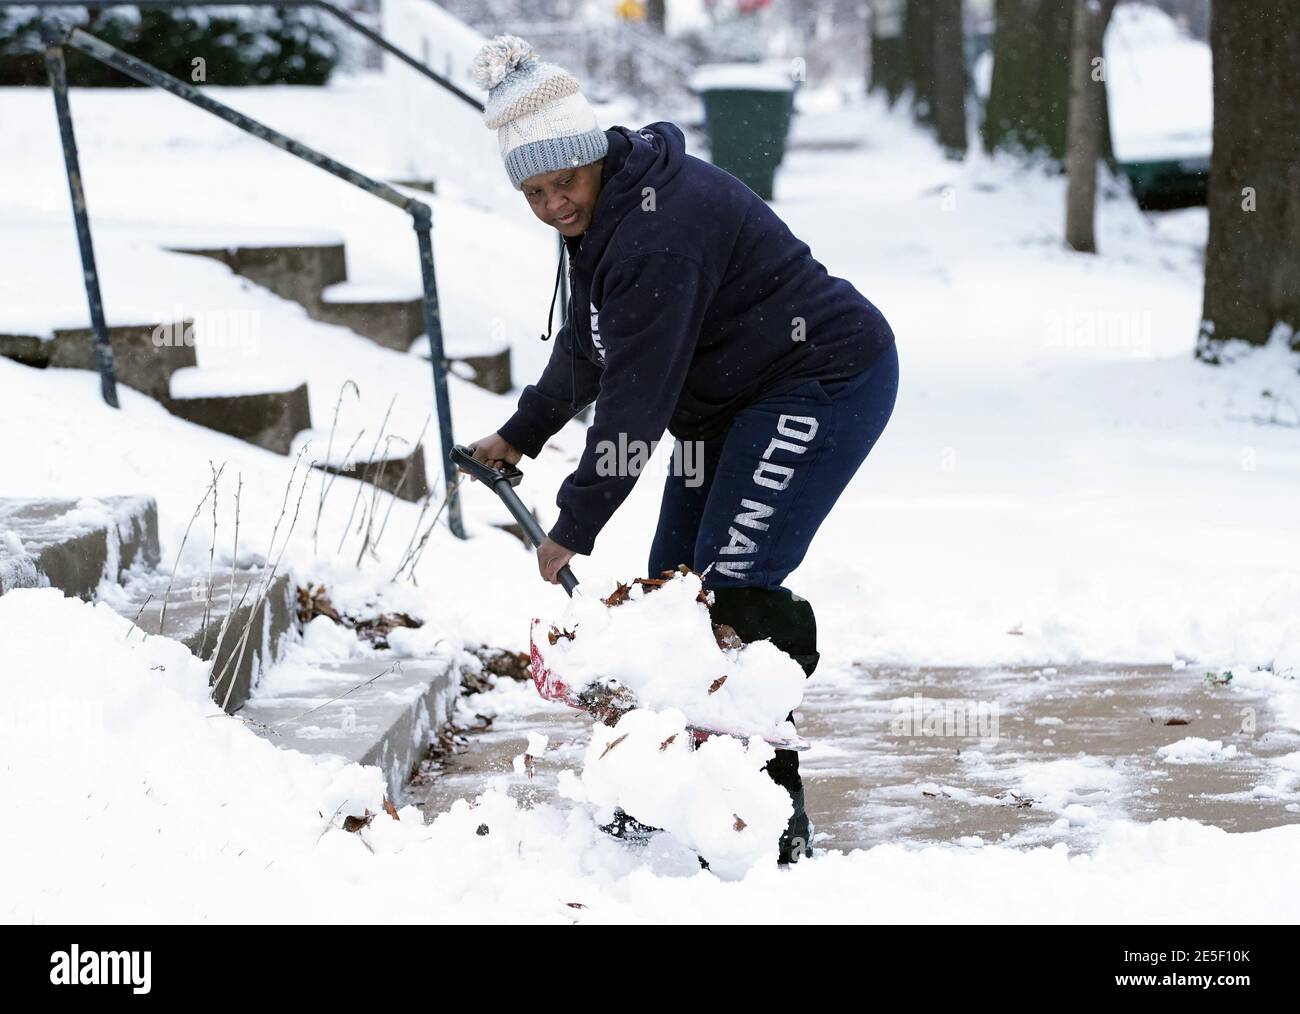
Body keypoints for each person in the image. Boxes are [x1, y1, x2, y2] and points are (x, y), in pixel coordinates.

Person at [463, 35, 898, 864]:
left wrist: (573, 525)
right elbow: (592, 345)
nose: (554, 204)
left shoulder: (660, 230)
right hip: (728, 404)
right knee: (673, 595)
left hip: (821, 377)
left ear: (594, 160)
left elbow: (634, 400)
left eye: (565, 183)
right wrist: (520, 434)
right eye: (535, 191)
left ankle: (765, 810)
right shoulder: (607, 214)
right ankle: (667, 791)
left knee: (731, 586)